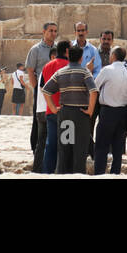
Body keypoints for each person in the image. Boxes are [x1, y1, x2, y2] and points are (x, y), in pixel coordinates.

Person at [44, 44, 98, 174]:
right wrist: (90, 110)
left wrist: (54, 108)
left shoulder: (60, 72)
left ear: (68, 56)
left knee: (64, 149)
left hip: (64, 114)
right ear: (81, 58)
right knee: (80, 150)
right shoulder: (85, 72)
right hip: (80, 114)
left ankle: (62, 174)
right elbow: (94, 91)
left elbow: (46, 90)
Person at [93, 47, 127, 174]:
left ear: (113, 56)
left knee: (101, 145)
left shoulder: (107, 70)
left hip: (108, 112)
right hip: (124, 112)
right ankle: (115, 172)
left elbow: (95, 86)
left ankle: (99, 173)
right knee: (118, 146)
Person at [26, 22, 58, 171]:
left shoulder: (58, 49)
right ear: (43, 32)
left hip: (55, 92)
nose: (53, 33)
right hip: (41, 91)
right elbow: (31, 70)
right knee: (37, 121)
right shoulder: (36, 50)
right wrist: (35, 88)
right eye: (50, 30)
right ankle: (35, 150)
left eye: (55, 31)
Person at [39, 40, 71, 173]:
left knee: (50, 144)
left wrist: (51, 104)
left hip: (51, 110)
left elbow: (42, 87)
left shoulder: (47, 66)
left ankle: (47, 173)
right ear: (67, 51)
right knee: (66, 144)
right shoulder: (70, 66)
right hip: (66, 111)